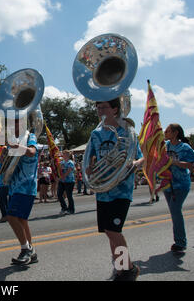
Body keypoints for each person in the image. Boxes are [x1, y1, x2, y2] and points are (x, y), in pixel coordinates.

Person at [85, 98, 144, 281]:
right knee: (109, 233)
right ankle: (120, 269)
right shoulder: (95, 134)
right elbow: (90, 157)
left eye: (103, 107)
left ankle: (129, 268)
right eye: (98, 107)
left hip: (121, 189)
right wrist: (89, 167)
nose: (99, 110)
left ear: (115, 109)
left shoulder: (127, 132)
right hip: (103, 190)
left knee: (113, 231)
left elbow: (142, 158)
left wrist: (134, 163)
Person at [6, 119, 39, 265]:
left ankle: (25, 249)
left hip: (26, 185)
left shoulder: (30, 136)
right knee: (22, 220)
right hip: (15, 185)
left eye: (16, 122)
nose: (13, 125)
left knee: (11, 217)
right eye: (11, 123)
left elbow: (31, 152)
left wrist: (17, 147)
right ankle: (32, 252)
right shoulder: (14, 139)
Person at [163, 123, 194, 253]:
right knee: (174, 212)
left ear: (176, 133)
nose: (165, 133)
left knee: (175, 210)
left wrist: (176, 163)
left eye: (168, 131)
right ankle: (179, 240)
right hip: (167, 184)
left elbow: (191, 165)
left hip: (181, 184)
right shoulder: (165, 146)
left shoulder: (184, 147)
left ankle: (180, 242)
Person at [57, 150, 76, 215]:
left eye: (64, 154)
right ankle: (64, 208)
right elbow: (59, 170)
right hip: (62, 181)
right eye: (63, 154)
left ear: (68, 155)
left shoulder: (70, 162)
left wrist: (63, 176)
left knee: (69, 195)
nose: (63, 155)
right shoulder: (61, 162)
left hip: (69, 181)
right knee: (59, 194)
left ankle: (71, 209)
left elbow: (69, 171)